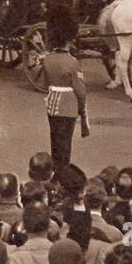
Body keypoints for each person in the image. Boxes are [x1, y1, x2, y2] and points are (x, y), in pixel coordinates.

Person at [39, 10, 89, 167]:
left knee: (55, 139)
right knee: (66, 142)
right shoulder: (72, 62)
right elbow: (80, 91)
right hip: (68, 106)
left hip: (52, 105)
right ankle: (63, 170)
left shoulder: (47, 60)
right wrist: (82, 109)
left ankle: (56, 167)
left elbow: (46, 84)